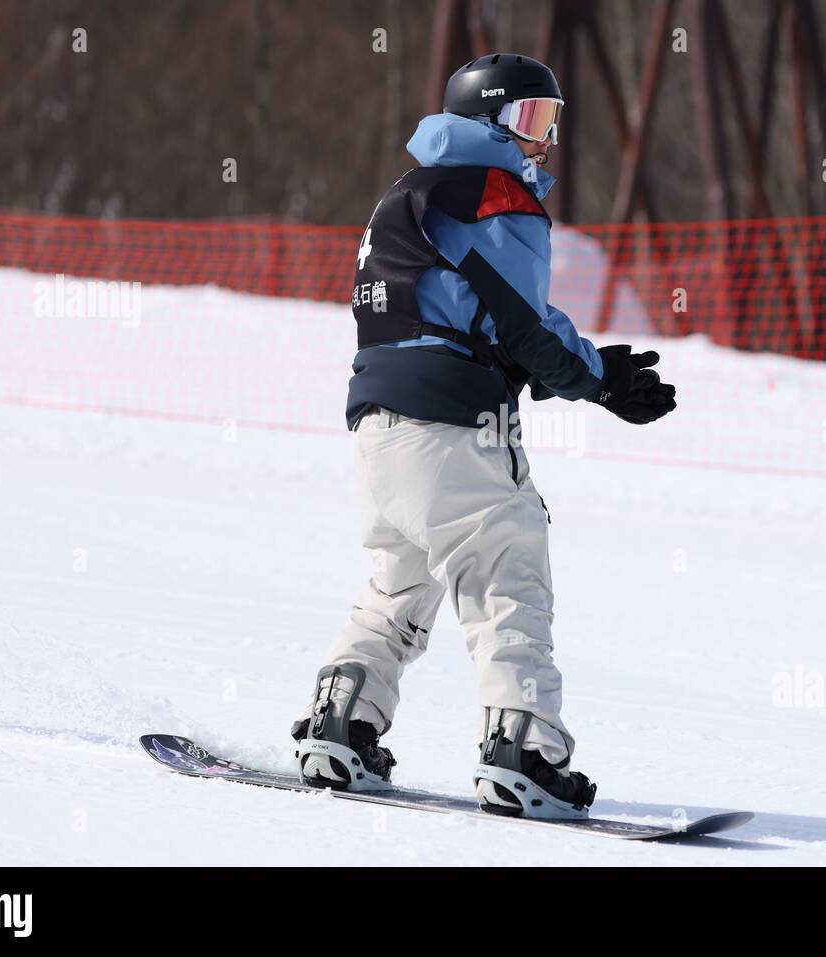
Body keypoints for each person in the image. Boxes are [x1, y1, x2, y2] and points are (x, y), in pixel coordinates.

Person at [290, 53, 676, 819]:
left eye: (551, 123)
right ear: (485, 122)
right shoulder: (496, 192)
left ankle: (342, 715)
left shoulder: (404, 192)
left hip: (376, 431)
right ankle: (522, 746)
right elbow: (521, 321)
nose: (542, 142)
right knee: (508, 563)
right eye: (529, 121)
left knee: (399, 581)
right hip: (451, 426)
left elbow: (441, 307)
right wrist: (599, 376)